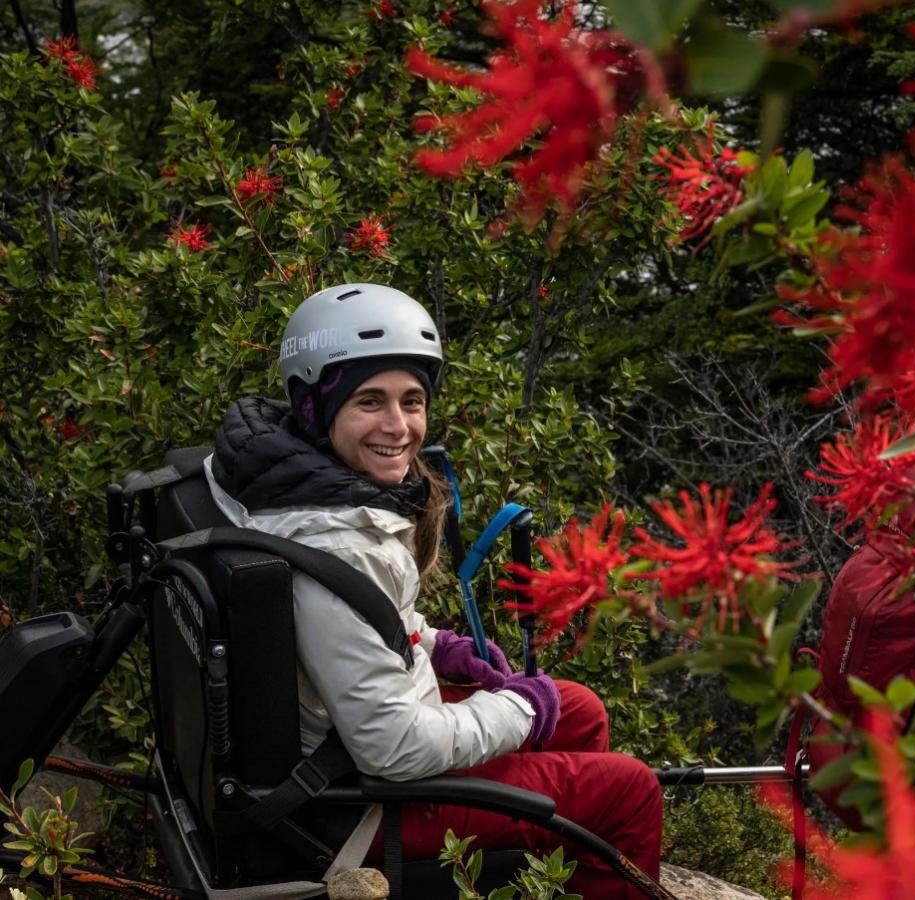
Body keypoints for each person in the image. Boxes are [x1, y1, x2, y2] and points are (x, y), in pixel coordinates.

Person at [203, 282, 661, 898]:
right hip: (356, 810)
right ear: (315, 409)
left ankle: (548, 873)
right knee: (627, 790)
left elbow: (355, 624)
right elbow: (392, 751)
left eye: (412, 401)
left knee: (579, 709)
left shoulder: (270, 480)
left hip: (323, 741)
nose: (399, 427)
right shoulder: (339, 545)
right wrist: (521, 708)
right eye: (370, 401)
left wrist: (436, 642)